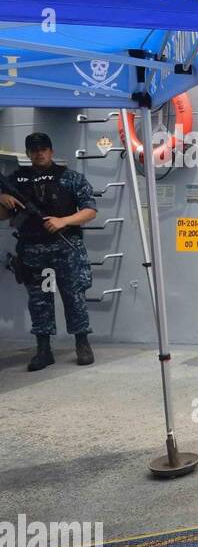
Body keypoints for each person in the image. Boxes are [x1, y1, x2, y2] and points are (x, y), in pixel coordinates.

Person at [0, 132, 97, 371]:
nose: (39, 153)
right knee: (39, 300)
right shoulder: (14, 181)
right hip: (33, 249)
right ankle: (43, 350)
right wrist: (2, 198)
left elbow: (90, 210)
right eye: (34, 150)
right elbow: (3, 217)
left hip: (66, 249)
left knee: (74, 297)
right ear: (28, 153)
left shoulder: (70, 178)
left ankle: (82, 343)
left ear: (51, 151)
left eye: (43, 149)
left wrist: (63, 221)